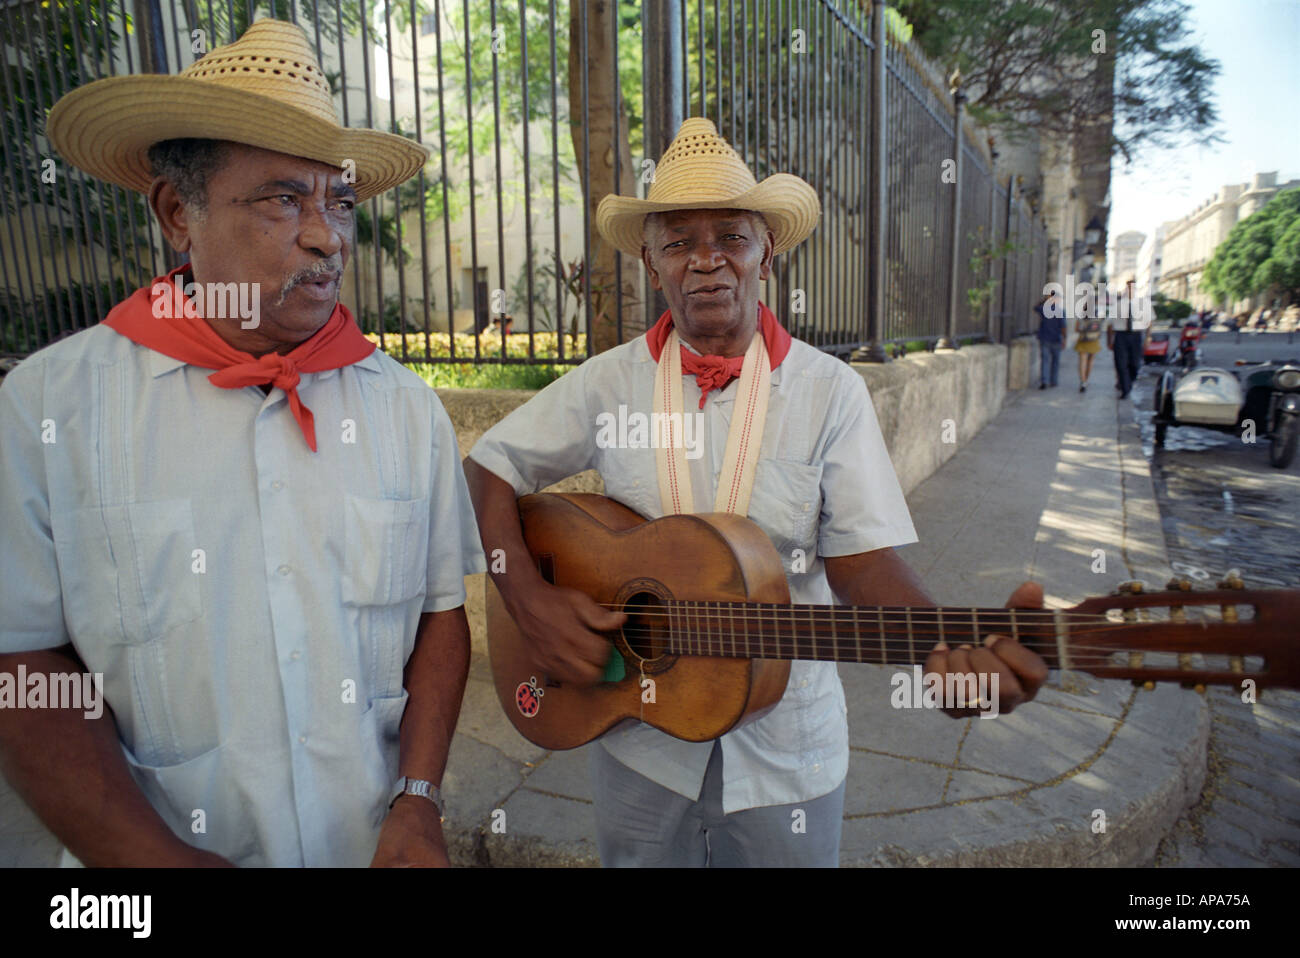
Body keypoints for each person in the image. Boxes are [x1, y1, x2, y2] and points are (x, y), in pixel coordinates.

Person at [463, 118, 1048, 867]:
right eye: (679, 242)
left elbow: (863, 564)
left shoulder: (829, 392)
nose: (707, 261)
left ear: (766, 252)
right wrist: (526, 597)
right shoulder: (607, 383)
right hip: (638, 745)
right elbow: (487, 465)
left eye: (730, 237)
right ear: (651, 263)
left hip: (785, 753)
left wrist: (942, 641)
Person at [0, 20, 486, 867]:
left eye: (339, 200)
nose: (327, 236)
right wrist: (149, 860)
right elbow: (23, 657)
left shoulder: (405, 409)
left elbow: (442, 617)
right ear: (176, 214)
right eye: (282, 199)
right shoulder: (51, 408)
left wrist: (418, 800)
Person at [1107, 276, 1148, 399]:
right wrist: (1109, 340)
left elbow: (1150, 322)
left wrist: (1148, 338)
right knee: (1120, 363)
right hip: (1121, 336)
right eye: (1129, 287)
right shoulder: (1118, 305)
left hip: (1136, 335)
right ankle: (1125, 388)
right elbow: (1110, 324)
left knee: (1135, 364)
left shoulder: (1143, 304)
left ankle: (1128, 382)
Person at [1035, 290, 1067, 389]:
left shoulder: (1044, 308)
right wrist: (1064, 338)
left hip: (1046, 338)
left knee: (1045, 360)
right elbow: (1064, 327)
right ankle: (1053, 381)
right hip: (1056, 338)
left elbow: (1035, 307)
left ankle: (1045, 381)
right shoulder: (1060, 311)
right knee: (1055, 361)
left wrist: (1045, 300)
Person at [1073, 293, 1103, 393]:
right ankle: (1086, 379)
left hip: (1083, 340)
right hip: (1094, 340)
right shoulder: (1099, 313)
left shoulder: (1081, 313)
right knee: (1090, 361)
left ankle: (1083, 382)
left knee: (1082, 361)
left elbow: (1077, 329)